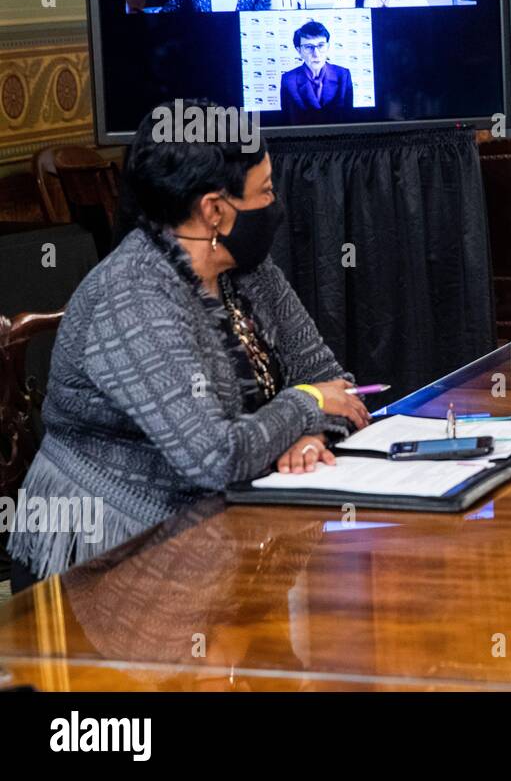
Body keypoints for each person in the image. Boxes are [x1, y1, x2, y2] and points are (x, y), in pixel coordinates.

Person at [6, 103, 370, 589]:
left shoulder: (247, 267)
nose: (275, 202)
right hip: (108, 551)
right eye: (264, 191)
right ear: (214, 210)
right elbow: (216, 459)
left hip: (221, 526)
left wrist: (311, 436)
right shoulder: (133, 298)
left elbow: (329, 377)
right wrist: (305, 406)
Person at [278, 21, 355, 124]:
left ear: (327, 47)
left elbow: (349, 120)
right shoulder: (288, 79)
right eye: (309, 47)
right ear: (299, 50)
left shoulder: (343, 75)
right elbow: (287, 122)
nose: (316, 54)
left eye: (321, 46)